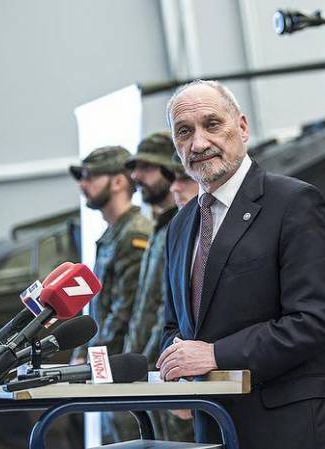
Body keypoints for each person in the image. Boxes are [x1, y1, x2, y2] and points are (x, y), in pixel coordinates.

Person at [156, 80, 325, 449]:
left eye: (212, 124)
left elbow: (316, 320)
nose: (199, 143)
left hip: (294, 431)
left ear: (242, 127)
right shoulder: (180, 225)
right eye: (184, 132)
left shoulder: (294, 202)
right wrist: (174, 365)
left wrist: (214, 355)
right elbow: (175, 323)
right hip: (215, 428)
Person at [69, 146, 152, 443]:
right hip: (109, 368)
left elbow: (126, 310)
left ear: (118, 182)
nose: (83, 184)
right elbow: (102, 308)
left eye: (90, 176)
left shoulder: (134, 233)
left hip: (124, 367)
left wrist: (92, 358)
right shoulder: (113, 234)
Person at [123, 133, 194, 442]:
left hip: (172, 366)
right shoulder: (164, 227)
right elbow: (147, 305)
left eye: (148, 168)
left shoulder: (187, 228)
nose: (137, 177)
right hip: (153, 366)